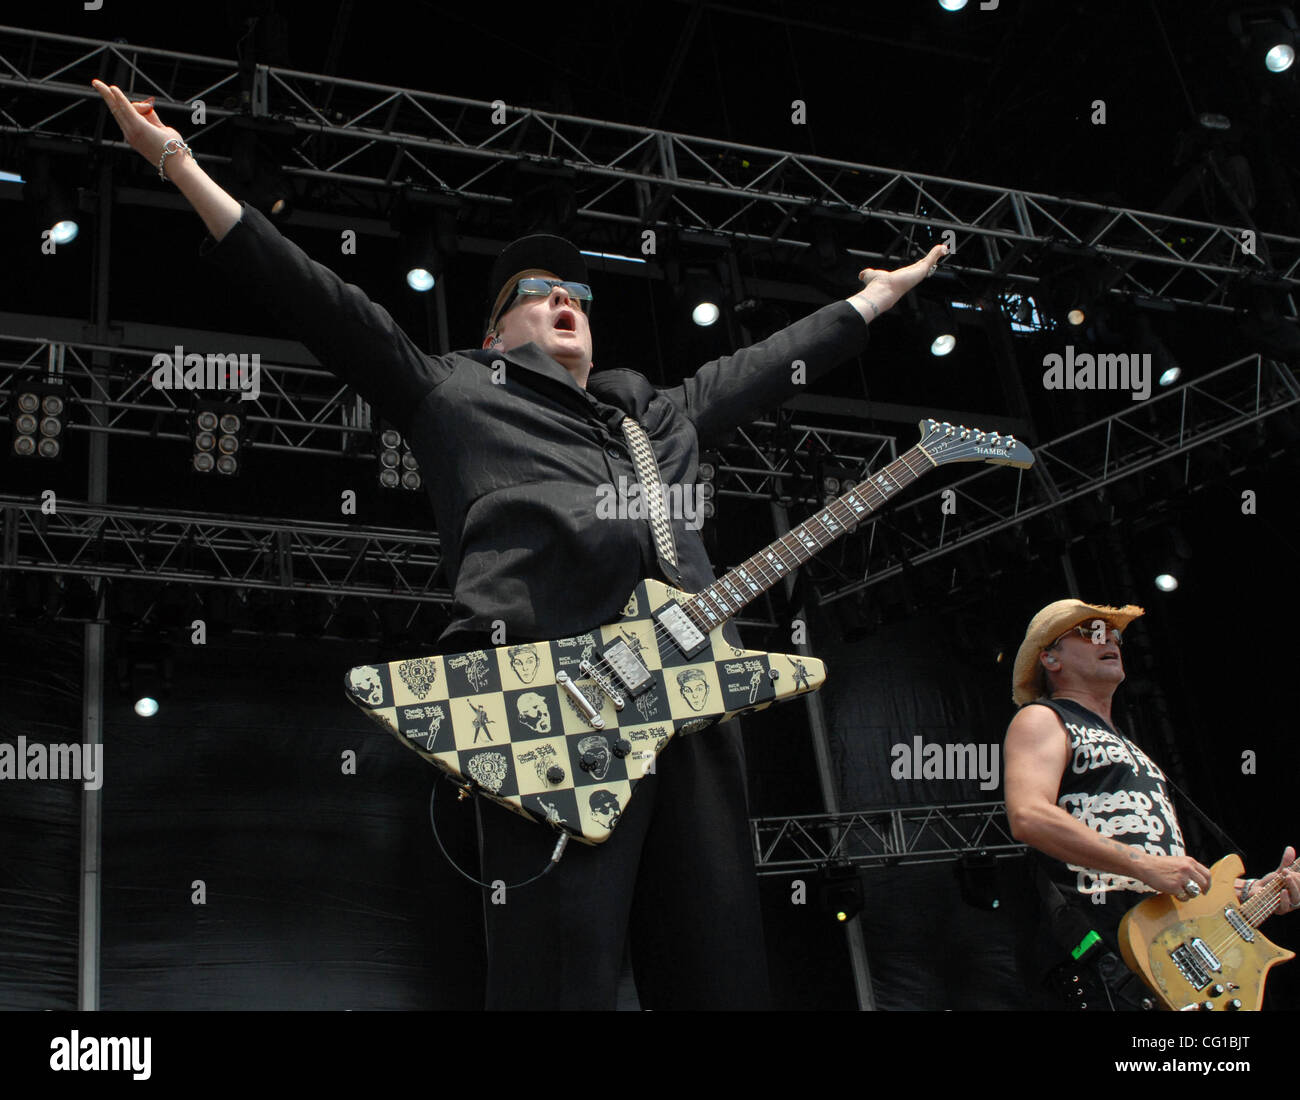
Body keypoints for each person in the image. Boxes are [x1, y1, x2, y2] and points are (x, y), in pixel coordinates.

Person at [93, 78, 947, 1009]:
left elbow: (764, 367)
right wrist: (177, 163)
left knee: (718, 964)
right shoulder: (455, 390)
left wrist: (874, 302)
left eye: (576, 293)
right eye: (537, 296)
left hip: (692, 703)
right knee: (559, 965)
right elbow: (323, 302)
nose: (564, 301)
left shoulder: (656, 412)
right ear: (497, 331)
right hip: (548, 695)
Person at [1003, 598, 1300, 1009]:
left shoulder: (1135, 751)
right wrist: (1144, 864)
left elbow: (1160, 870)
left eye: (1114, 634)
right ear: (1050, 659)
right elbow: (1028, 815)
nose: (1109, 639)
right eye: (1090, 632)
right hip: (1099, 962)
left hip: (1163, 962)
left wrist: (1248, 891)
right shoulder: (1043, 719)